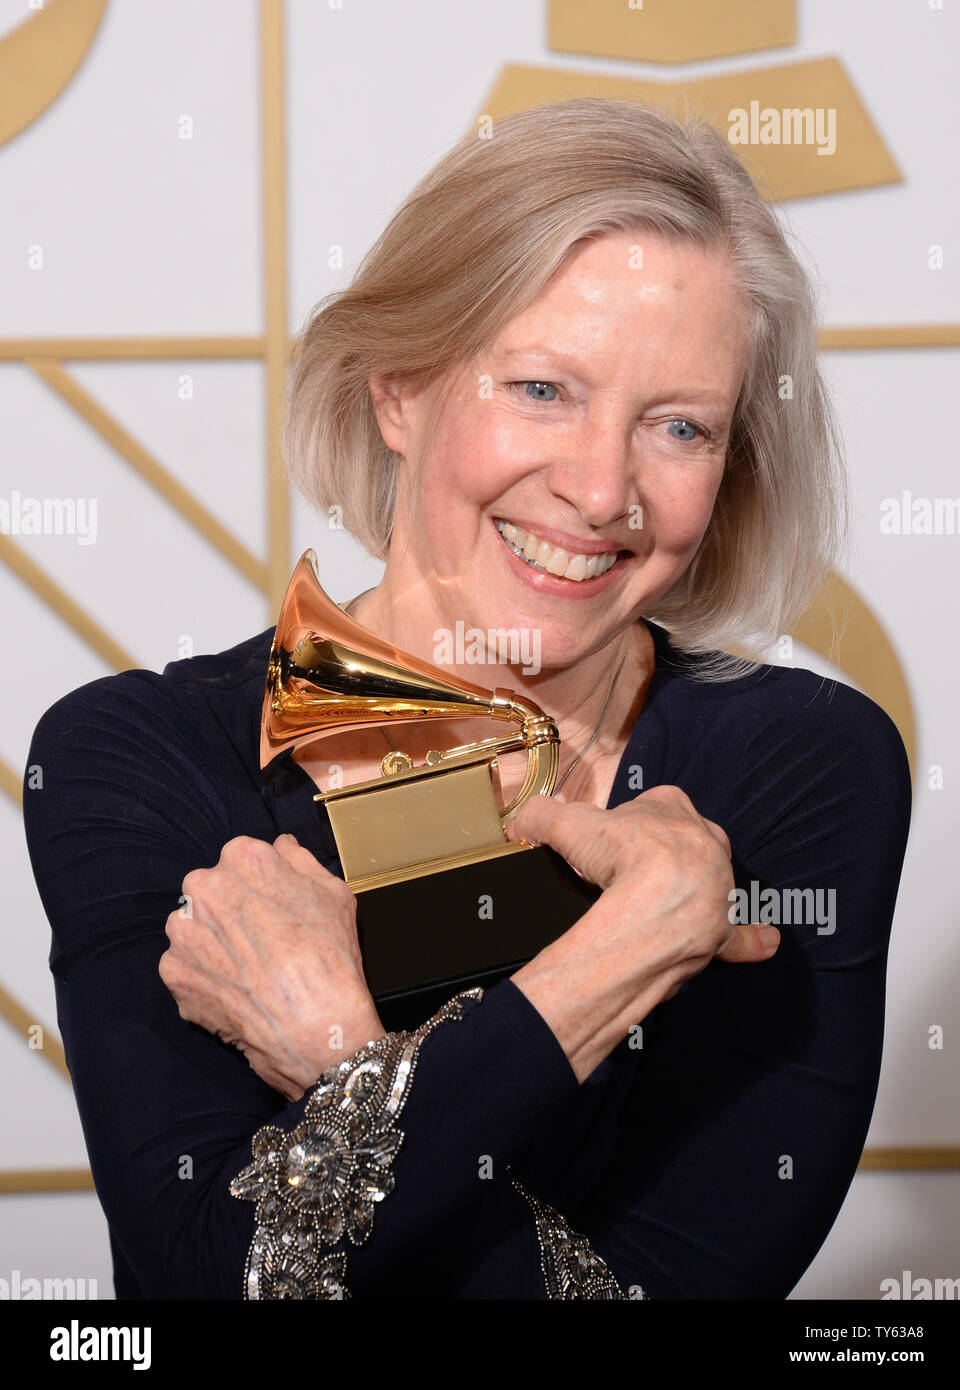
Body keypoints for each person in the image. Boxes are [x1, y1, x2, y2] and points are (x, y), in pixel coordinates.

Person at [23, 97, 911, 1300]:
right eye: (542, 389)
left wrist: (344, 1058)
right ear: (399, 389)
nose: (602, 489)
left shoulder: (803, 765)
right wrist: (618, 958)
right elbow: (208, 1285)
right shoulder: (137, 752)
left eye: (679, 425)